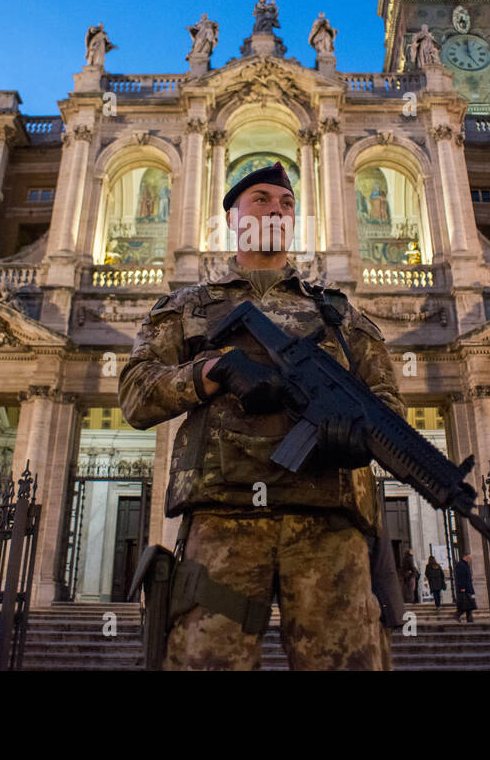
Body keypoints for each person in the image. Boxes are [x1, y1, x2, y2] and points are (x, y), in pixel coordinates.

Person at [119, 161, 407, 670]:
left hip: (329, 527)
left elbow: (389, 410)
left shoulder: (340, 315)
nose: (276, 209)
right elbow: (137, 396)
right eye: (261, 201)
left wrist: (355, 435)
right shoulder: (186, 308)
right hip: (223, 524)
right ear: (233, 218)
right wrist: (211, 372)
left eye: (286, 203)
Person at [453, 552, 475, 623]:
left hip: (468, 587)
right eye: (469, 558)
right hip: (465, 588)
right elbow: (461, 577)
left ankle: (469, 618)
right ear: (465, 557)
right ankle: (458, 614)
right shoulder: (461, 565)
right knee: (466, 604)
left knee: (469, 604)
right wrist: (462, 587)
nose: (470, 559)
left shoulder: (465, 565)